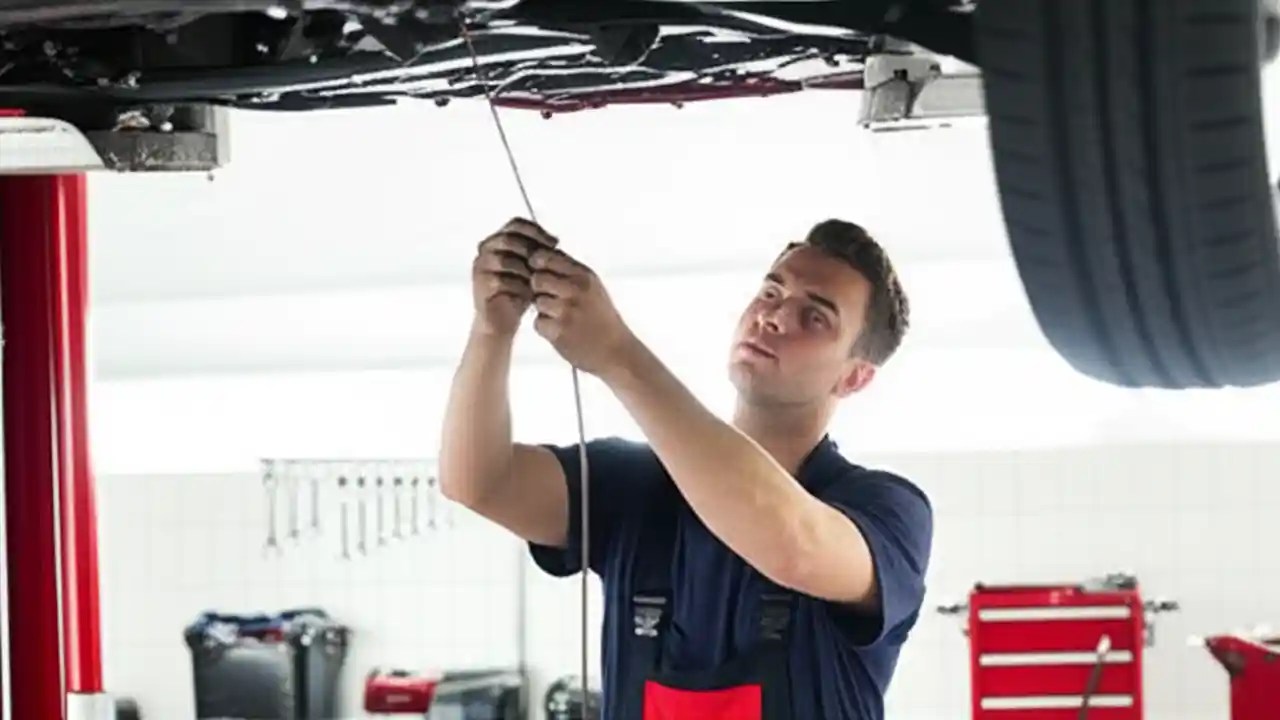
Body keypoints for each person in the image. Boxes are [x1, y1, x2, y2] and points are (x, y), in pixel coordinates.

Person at [439, 217, 933, 720]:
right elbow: (478, 480)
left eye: (815, 317)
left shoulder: (885, 509)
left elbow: (793, 545)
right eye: (771, 292)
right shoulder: (632, 485)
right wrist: (491, 329)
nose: (775, 316)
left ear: (854, 377)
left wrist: (619, 355)